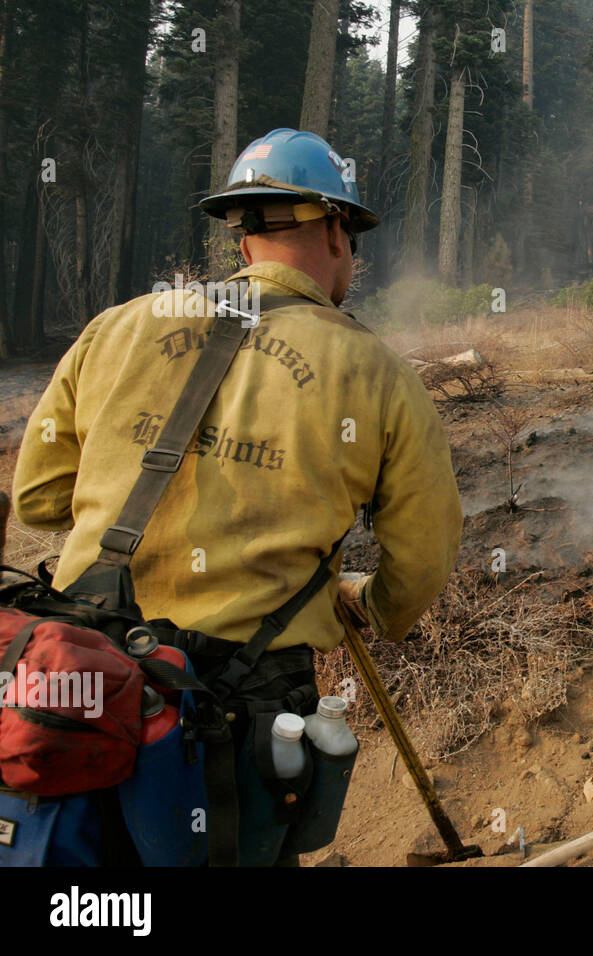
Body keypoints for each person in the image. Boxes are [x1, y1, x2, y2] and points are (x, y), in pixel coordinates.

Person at [11, 127, 462, 863]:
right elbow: (425, 552)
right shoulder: (372, 370)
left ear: (243, 241)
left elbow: (37, 500)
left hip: (81, 674)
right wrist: (372, 606)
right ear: (335, 231)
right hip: (242, 703)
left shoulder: (117, 329)